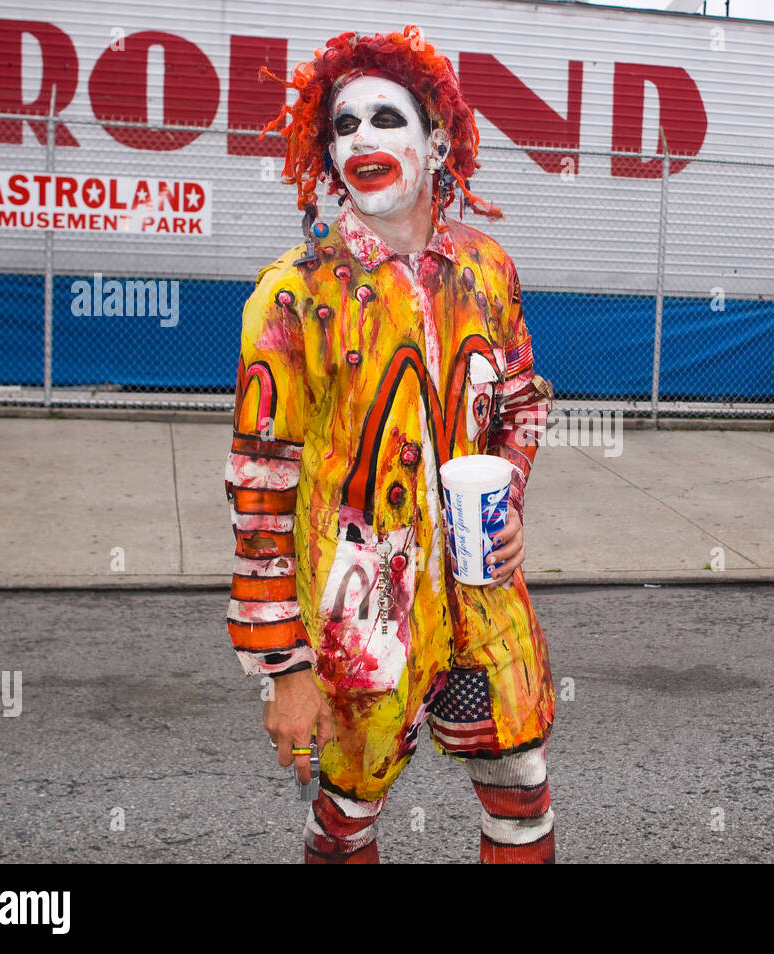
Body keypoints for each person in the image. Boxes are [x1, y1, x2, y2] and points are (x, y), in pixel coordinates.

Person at [223, 25, 556, 863]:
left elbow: (519, 404)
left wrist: (509, 495)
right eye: (343, 126)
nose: (363, 138)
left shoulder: (488, 271)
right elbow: (261, 489)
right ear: (327, 156)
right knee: (348, 814)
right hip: (359, 611)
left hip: (485, 600)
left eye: (385, 118)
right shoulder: (294, 296)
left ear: (436, 138)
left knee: (521, 787)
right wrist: (285, 668)